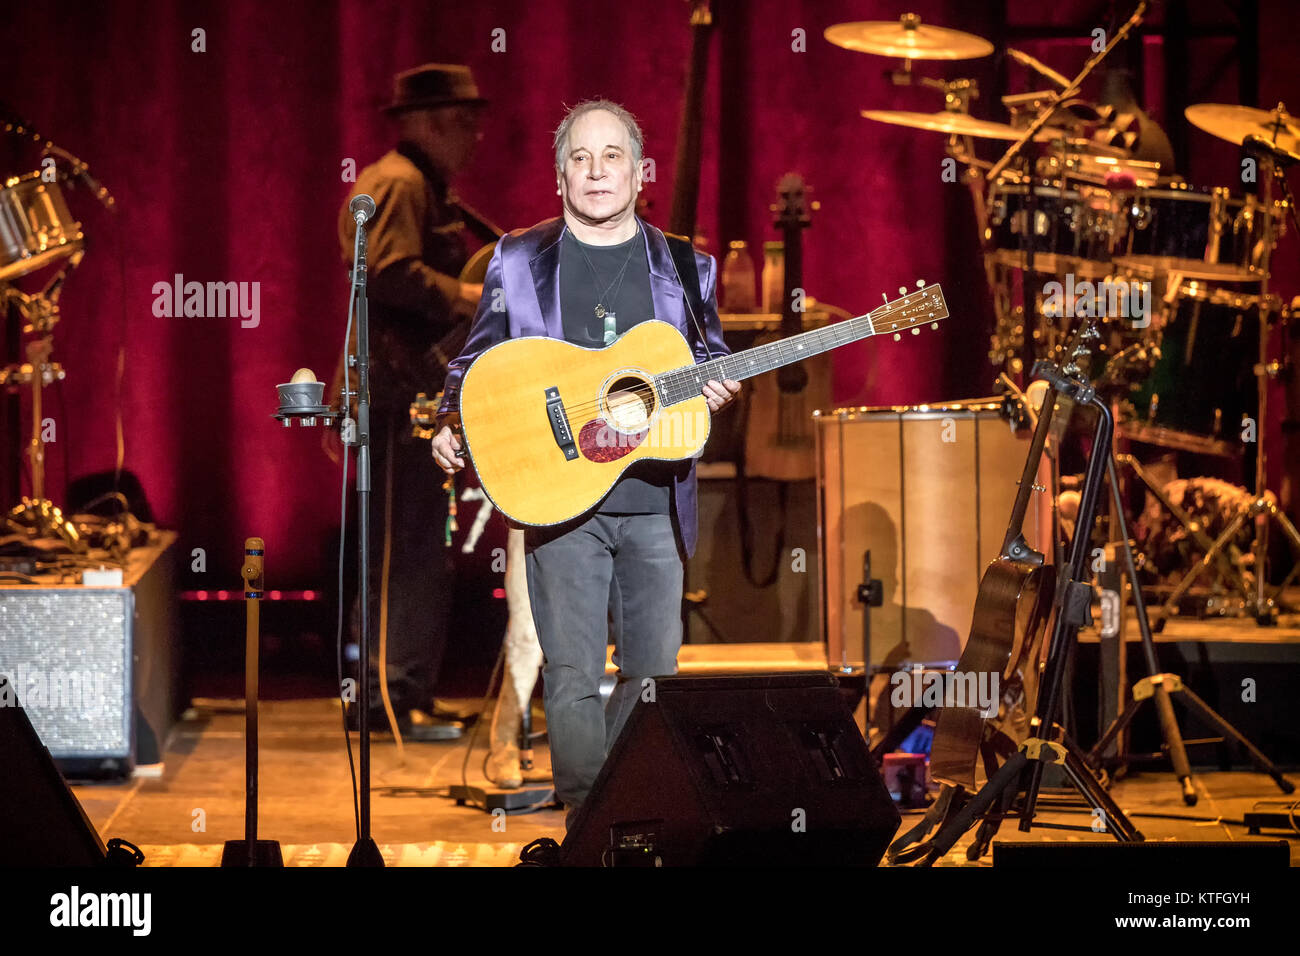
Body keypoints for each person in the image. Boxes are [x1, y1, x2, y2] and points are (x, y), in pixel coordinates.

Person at [430, 100, 740, 822]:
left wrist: (719, 381)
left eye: (612, 157)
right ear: (560, 175)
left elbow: (712, 354)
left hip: (654, 502)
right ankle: (586, 821)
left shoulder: (687, 265)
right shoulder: (519, 257)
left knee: (653, 674)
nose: (597, 171)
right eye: (580, 157)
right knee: (570, 673)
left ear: (639, 174)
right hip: (559, 496)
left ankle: (633, 808)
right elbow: (478, 357)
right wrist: (452, 415)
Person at [337, 64, 488, 740]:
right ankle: (385, 700)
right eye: (462, 121)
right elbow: (388, 272)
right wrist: (470, 297)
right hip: (399, 396)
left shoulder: (416, 183)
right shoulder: (399, 183)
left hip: (409, 394)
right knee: (401, 551)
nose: (476, 135)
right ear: (425, 124)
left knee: (418, 546)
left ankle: (403, 693)